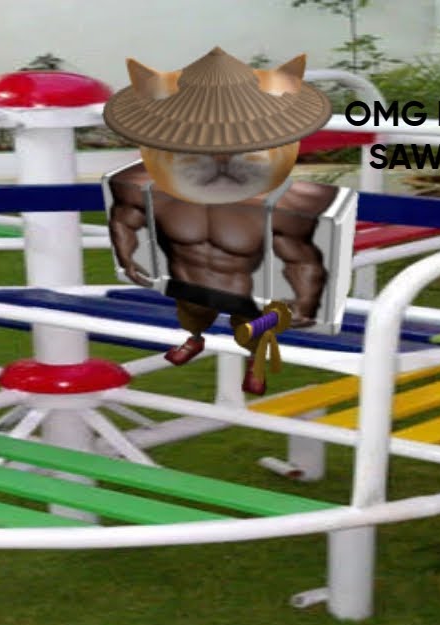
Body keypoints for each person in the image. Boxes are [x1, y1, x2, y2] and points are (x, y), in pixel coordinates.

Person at [102, 46, 344, 395]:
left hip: (246, 296)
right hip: (187, 286)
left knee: (253, 332)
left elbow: (302, 259)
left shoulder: (285, 205)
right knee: (192, 316)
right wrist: (127, 258)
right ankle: (194, 339)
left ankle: (255, 361)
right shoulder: (144, 189)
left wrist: (306, 304)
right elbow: (124, 219)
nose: (219, 153)